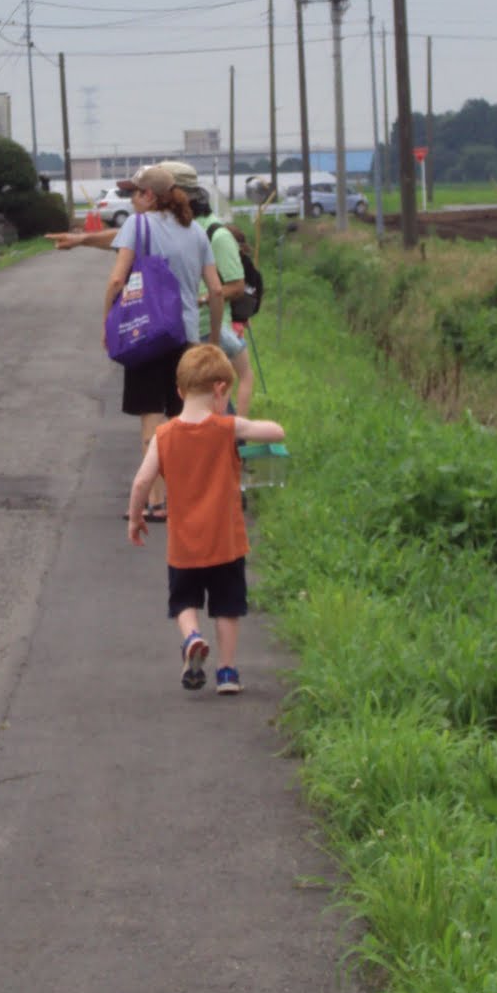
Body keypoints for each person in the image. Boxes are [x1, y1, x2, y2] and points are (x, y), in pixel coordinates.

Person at [127, 343, 285, 696]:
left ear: (180, 392)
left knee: (184, 602)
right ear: (221, 389)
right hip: (226, 543)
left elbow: (141, 482)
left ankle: (192, 637)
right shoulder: (227, 427)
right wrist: (260, 426)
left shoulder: (164, 436)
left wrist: (135, 518)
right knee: (227, 608)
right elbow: (274, 432)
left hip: (184, 545)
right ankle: (227, 672)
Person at [46, 160, 254, 414]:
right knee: (190, 413)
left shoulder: (207, 231)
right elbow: (126, 238)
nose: (133, 198)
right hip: (187, 333)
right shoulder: (188, 228)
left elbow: (232, 286)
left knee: (186, 410)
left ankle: (230, 434)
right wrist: (82, 239)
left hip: (174, 329)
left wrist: (109, 324)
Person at [104, 165, 224, 522]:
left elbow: (116, 281)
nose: (131, 199)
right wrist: (212, 340)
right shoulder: (196, 231)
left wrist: (108, 323)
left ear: (149, 196)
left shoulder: (136, 225)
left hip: (147, 334)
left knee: (152, 420)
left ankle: (155, 503)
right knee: (183, 420)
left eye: (134, 193)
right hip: (185, 338)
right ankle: (185, 501)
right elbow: (216, 290)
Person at [156, 161, 255, 415]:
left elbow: (236, 286)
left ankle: (233, 435)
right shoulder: (173, 229)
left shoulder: (215, 234)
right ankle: (227, 434)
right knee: (199, 400)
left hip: (207, 328)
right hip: (181, 328)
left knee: (213, 397)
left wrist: (202, 299)